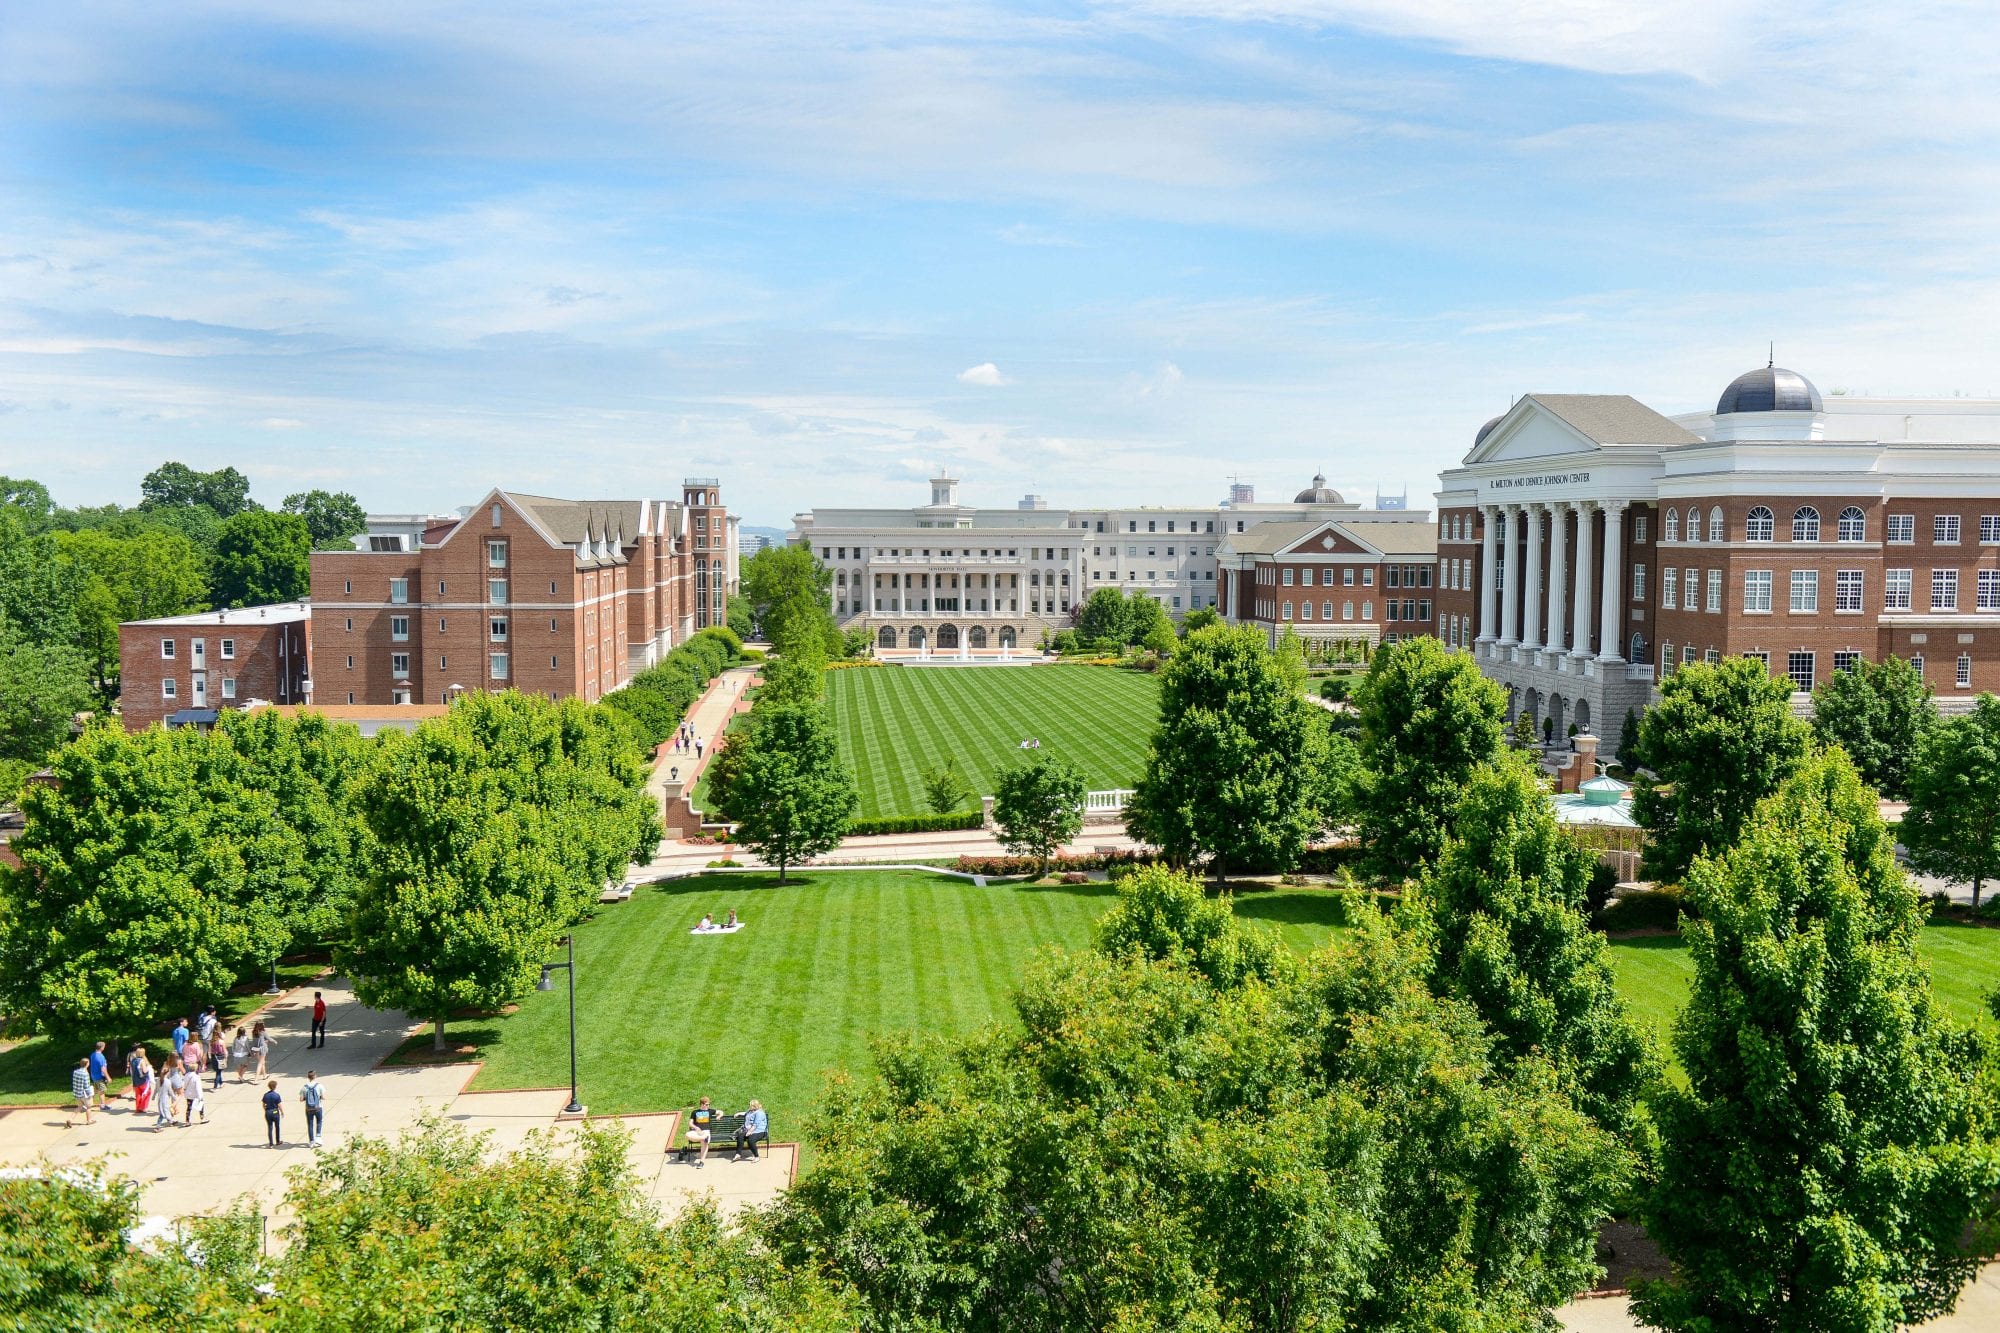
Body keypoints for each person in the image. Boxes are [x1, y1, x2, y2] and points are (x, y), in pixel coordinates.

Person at [684, 1096, 718, 1167]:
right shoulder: (695, 1112)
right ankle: (703, 1138)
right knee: (687, 1135)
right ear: (702, 1104)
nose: (708, 1106)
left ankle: (701, 1162)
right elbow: (690, 1123)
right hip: (697, 1131)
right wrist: (696, 1128)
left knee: (704, 1143)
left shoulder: (710, 1111)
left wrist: (720, 1116)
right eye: (707, 1104)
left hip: (706, 1131)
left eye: (709, 1104)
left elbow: (720, 1111)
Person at [300, 1070, 326, 1147]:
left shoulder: (304, 1087)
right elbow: (324, 1097)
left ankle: (311, 1141)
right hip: (318, 1107)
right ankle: (318, 1137)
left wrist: (306, 1098)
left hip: (308, 1109)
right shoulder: (319, 1086)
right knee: (319, 1122)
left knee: (310, 1124)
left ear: (308, 1077)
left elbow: (301, 1099)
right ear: (315, 1076)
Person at [129, 1047, 154, 1116]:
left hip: (135, 1080)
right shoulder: (142, 1061)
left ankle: (138, 1108)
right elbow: (144, 1071)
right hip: (143, 1080)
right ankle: (143, 1107)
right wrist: (150, 1069)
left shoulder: (133, 1060)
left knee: (138, 1094)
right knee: (147, 1092)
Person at [69, 1058, 94, 1126]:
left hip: (77, 1093)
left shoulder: (75, 1071)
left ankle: (70, 1119)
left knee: (79, 1107)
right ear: (87, 1064)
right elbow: (86, 1086)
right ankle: (89, 1120)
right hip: (84, 1094)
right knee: (88, 1107)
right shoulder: (85, 1074)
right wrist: (90, 1095)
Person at [86, 1041, 109, 1109]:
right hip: (99, 1076)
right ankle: (102, 1105)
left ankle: (87, 1104)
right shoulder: (100, 1056)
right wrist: (108, 1077)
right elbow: (103, 1068)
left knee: (96, 1091)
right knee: (102, 1091)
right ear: (102, 1047)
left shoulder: (93, 1054)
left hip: (94, 1075)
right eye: (104, 1046)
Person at [261, 1078, 283, 1147]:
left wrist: (266, 1110)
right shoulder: (276, 1095)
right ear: (275, 1087)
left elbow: (263, 1105)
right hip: (275, 1112)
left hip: (268, 1112)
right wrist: (282, 1112)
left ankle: (271, 1143)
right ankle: (278, 1141)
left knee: (270, 1127)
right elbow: (279, 1105)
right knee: (277, 1127)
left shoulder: (265, 1095)